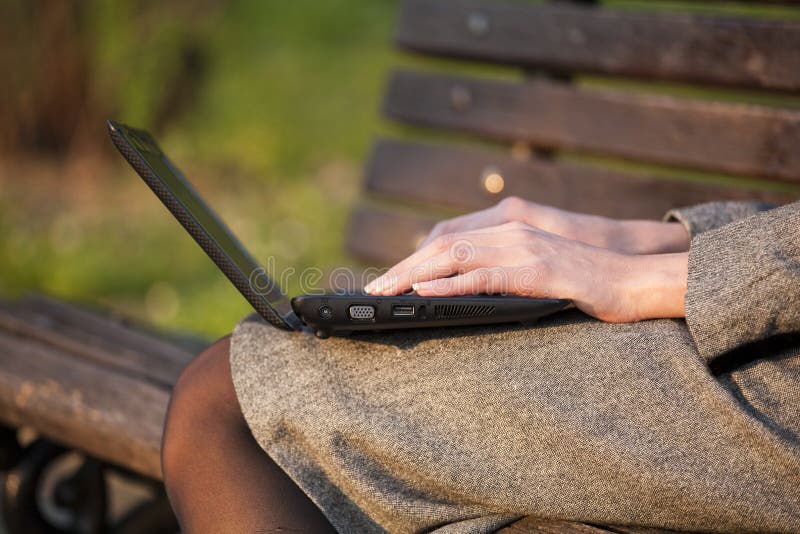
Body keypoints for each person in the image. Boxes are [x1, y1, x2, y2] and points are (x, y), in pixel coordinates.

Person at [161, 197, 800, 533]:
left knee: (232, 388)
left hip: (766, 375)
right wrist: (649, 239)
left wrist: (644, 277)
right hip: (745, 306)